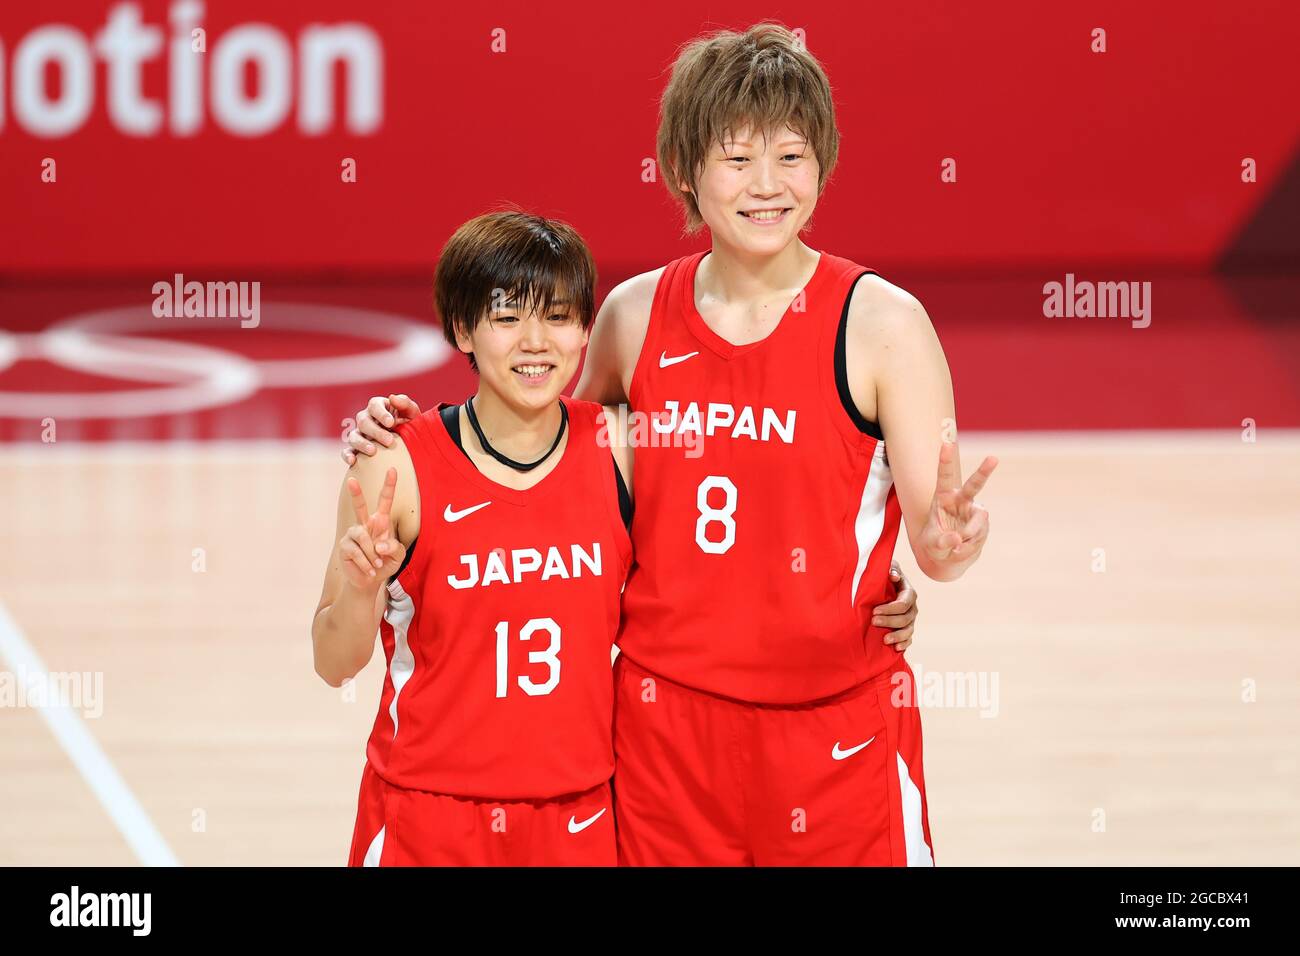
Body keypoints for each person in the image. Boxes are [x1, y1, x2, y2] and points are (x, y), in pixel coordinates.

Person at [346, 23, 972, 866]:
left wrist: (943, 548)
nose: (768, 186)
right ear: (683, 169)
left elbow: (937, 538)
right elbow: (540, 451)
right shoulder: (632, 317)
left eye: (791, 157)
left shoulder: (886, 325)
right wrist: (403, 434)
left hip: (838, 727)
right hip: (661, 732)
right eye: (737, 159)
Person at [313, 210, 633, 865]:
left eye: (559, 316)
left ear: (584, 330)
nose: (536, 342)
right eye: (508, 318)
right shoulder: (394, 465)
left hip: (582, 815)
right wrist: (362, 589)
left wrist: (867, 599)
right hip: (428, 816)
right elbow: (333, 662)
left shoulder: (624, 448)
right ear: (463, 328)